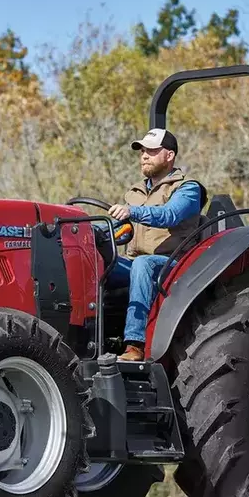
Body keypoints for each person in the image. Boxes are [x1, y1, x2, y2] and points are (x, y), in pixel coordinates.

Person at [106, 128, 207, 361]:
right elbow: (119, 226)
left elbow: (169, 215)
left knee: (143, 264)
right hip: (134, 262)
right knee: (96, 264)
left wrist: (132, 211)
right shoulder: (135, 191)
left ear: (169, 155)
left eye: (151, 151)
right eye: (142, 151)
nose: (144, 155)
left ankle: (135, 345)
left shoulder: (187, 189)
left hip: (173, 264)